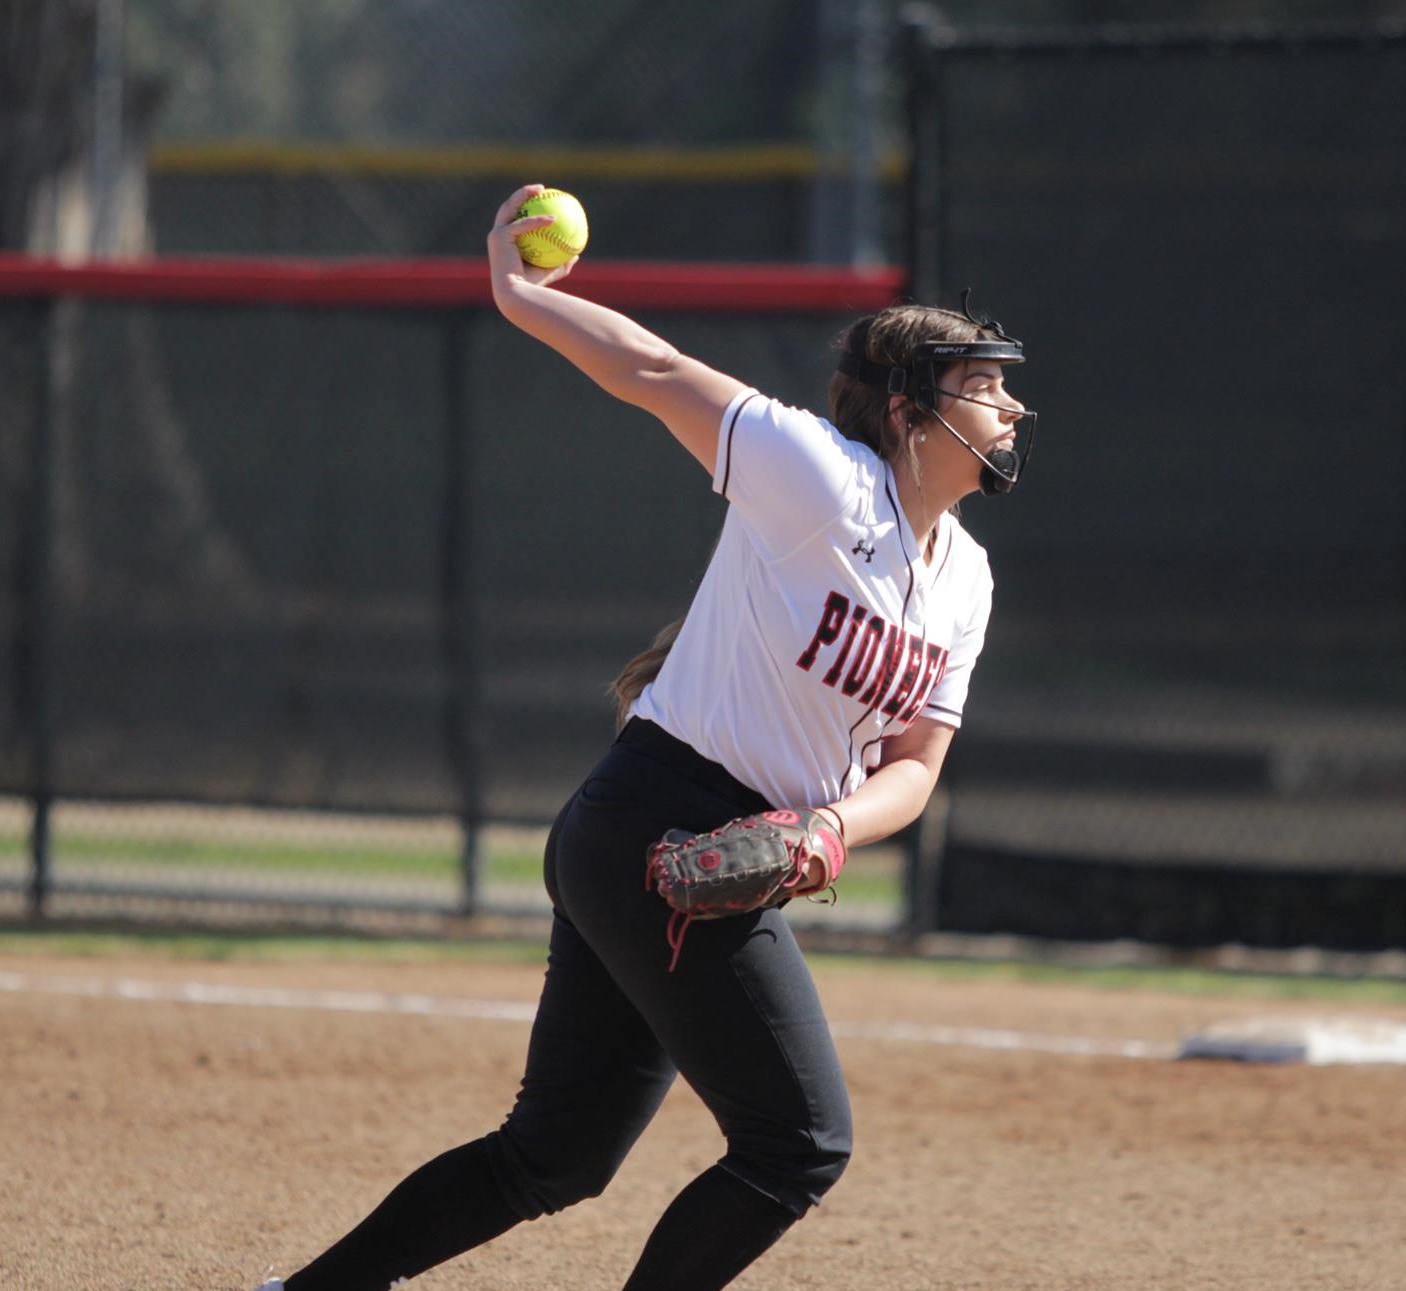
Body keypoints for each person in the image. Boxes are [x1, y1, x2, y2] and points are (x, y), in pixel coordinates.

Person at [253, 183, 1038, 1291]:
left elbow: (914, 769)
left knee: (555, 1154)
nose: (1010, 409)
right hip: (663, 827)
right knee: (797, 1144)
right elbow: (656, 371)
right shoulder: (823, 478)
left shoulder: (965, 577)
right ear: (911, 413)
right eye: (984, 387)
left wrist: (824, 830)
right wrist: (519, 296)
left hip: (685, 845)